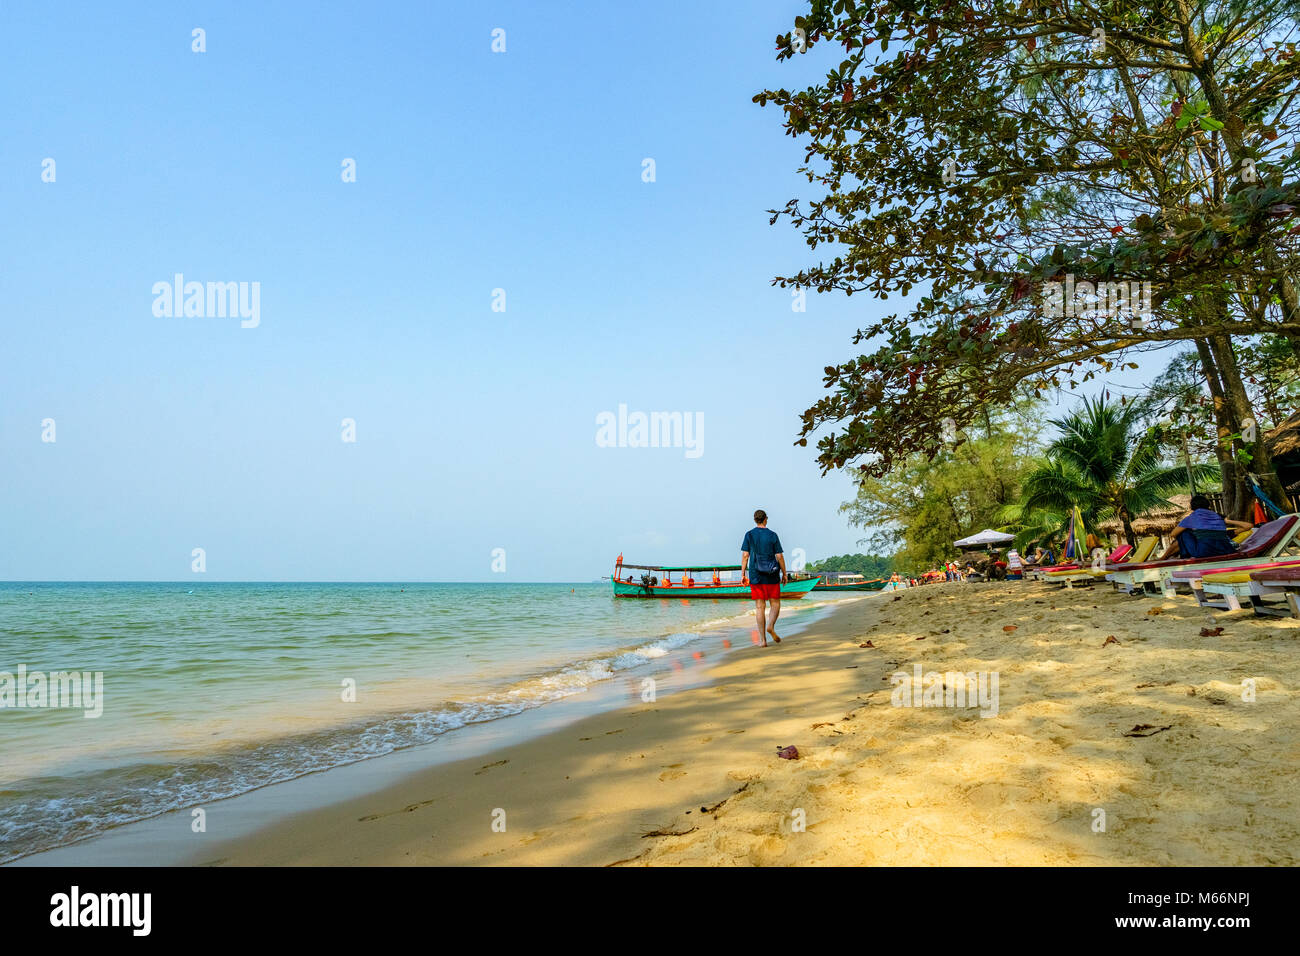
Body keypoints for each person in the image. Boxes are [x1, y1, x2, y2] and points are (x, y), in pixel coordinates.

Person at [741, 509, 787, 646]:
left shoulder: (749, 535)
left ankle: (762, 640)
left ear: (755, 520)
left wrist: (743, 574)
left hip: (756, 575)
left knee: (760, 606)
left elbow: (745, 556)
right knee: (775, 603)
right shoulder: (773, 535)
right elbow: (779, 556)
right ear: (766, 519)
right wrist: (784, 573)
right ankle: (771, 625)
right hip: (772, 574)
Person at [1158, 494, 1253, 559]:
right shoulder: (1217, 516)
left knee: (1184, 533)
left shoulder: (1192, 517)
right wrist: (1226, 521)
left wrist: (1193, 533)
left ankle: (1178, 556)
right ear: (1208, 505)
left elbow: (1173, 534)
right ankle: (1167, 556)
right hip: (1226, 550)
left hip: (1204, 552)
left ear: (1192, 507)